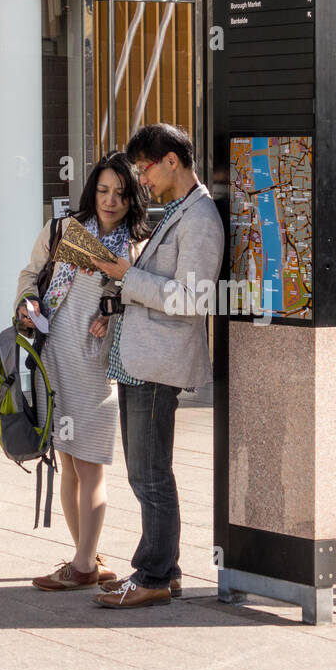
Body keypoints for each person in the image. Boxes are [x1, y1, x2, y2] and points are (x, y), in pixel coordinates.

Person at [88, 123, 224, 609]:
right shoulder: (181, 211)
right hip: (140, 358)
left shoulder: (200, 217)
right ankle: (164, 570)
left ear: (171, 160)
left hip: (157, 363)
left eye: (144, 167)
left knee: (149, 475)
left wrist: (128, 278)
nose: (140, 179)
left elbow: (193, 299)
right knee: (145, 472)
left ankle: (153, 577)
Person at [14, 153, 152, 590]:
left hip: (96, 367)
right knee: (68, 465)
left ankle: (83, 566)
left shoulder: (138, 247)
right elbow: (30, 275)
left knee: (91, 466)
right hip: (52, 360)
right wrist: (26, 303)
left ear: (134, 199)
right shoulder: (63, 231)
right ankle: (87, 557)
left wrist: (114, 309)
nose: (110, 201)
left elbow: (146, 301)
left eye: (121, 193)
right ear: (92, 189)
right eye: (103, 190)